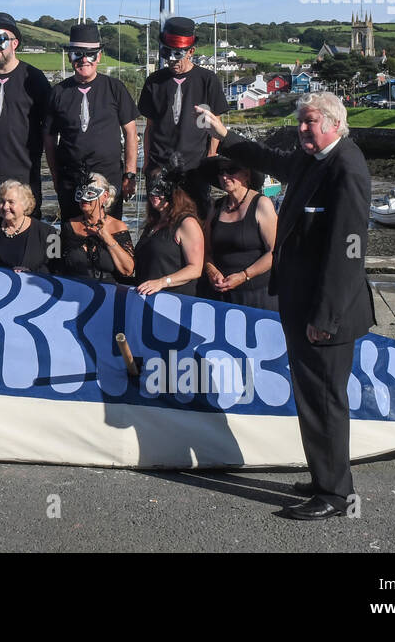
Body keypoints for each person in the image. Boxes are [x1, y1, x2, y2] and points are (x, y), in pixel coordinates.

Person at [196, 92, 375, 520]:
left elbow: (347, 254)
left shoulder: (346, 168)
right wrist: (223, 134)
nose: (301, 129)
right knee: (311, 397)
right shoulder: (312, 160)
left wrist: (325, 318)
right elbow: (268, 157)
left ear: (334, 123)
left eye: (310, 122)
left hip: (325, 311)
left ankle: (334, 496)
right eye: (300, 122)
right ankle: (324, 477)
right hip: (302, 304)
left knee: (326, 400)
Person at [43, 23, 138, 219]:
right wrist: (56, 177)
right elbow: (49, 139)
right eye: (78, 53)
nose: (84, 59)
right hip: (71, 182)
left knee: (110, 238)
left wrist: (129, 175)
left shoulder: (115, 88)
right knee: (73, 239)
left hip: (109, 180)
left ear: (99, 56)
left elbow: (131, 133)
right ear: (70, 57)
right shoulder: (57, 93)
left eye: (90, 54)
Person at [0, 12, 52, 220]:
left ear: (15, 43)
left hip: (24, 179)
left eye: (0, 39)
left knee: (26, 244)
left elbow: (47, 125)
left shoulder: (34, 78)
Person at [138, 16, 228, 214]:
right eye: (166, 53)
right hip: (159, 168)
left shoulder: (208, 80)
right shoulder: (153, 81)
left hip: (195, 168)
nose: (171, 59)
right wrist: (146, 164)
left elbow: (216, 126)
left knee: (197, 221)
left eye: (177, 54)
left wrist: (210, 159)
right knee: (159, 223)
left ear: (191, 51)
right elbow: (150, 127)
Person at [197, 156, 277, 311]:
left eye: (232, 170)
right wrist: (211, 270)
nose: (225, 176)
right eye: (221, 172)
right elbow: (206, 251)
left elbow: (274, 252)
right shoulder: (216, 207)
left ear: (247, 174)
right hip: (221, 296)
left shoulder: (262, 204)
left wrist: (243, 276)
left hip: (256, 297)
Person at [132, 166, 205, 297]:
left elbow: (195, 268)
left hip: (174, 300)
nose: (154, 195)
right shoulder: (152, 224)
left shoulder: (187, 223)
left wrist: (162, 282)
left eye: (160, 190)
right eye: (151, 190)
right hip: (146, 298)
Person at [58, 172, 135, 285]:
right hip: (75, 288)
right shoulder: (69, 226)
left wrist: (108, 238)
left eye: (89, 193)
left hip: (108, 292)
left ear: (104, 197)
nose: (84, 198)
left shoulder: (118, 226)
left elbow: (128, 270)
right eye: (81, 192)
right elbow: (54, 261)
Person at [0, 180, 56, 274]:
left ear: (25, 204)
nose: (5, 207)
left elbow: (57, 268)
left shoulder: (50, 233)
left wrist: (32, 273)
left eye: (11, 202)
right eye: (2, 201)